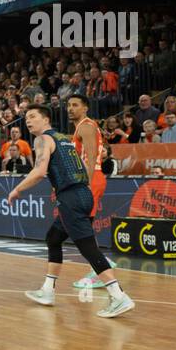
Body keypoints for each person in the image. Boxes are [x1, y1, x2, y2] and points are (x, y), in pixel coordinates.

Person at [8, 106, 134, 319]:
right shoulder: (63, 138)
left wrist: (17, 189)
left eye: (33, 117)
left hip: (70, 197)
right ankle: (47, 290)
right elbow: (83, 164)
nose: (28, 121)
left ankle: (118, 295)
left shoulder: (42, 140)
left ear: (46, 119)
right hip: (83, 193)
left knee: (87, 247)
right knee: (54, 238)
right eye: (26, 117)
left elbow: (39, 172)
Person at [66, 94, 116, 291]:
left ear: (85, 107)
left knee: (82, 230)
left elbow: (92, 155)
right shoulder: (83, 126)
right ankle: (101, 265)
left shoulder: (86, 125)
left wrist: (83, 184)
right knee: (83, 229)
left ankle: (100, 269)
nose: (70, 108)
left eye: (75, 105)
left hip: (91, 179)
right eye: (68, 105)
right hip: (90, 178)